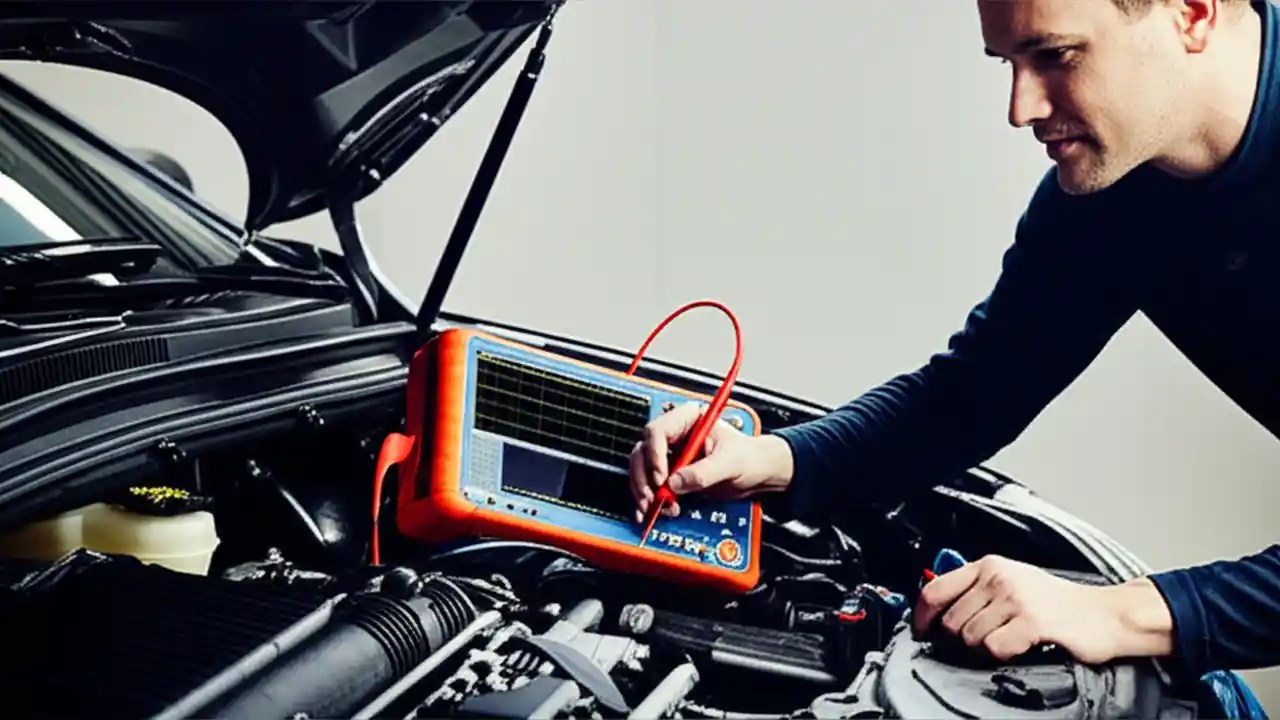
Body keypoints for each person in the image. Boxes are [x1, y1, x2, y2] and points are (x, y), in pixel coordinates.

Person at [629, 0, 1280, 679]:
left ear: (1193, 13)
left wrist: (1113, 613)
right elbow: (973, 394)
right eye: (1009, 63)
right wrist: (778, 460)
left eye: (1056, 56)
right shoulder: (1109, 194)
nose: (1020, 108)